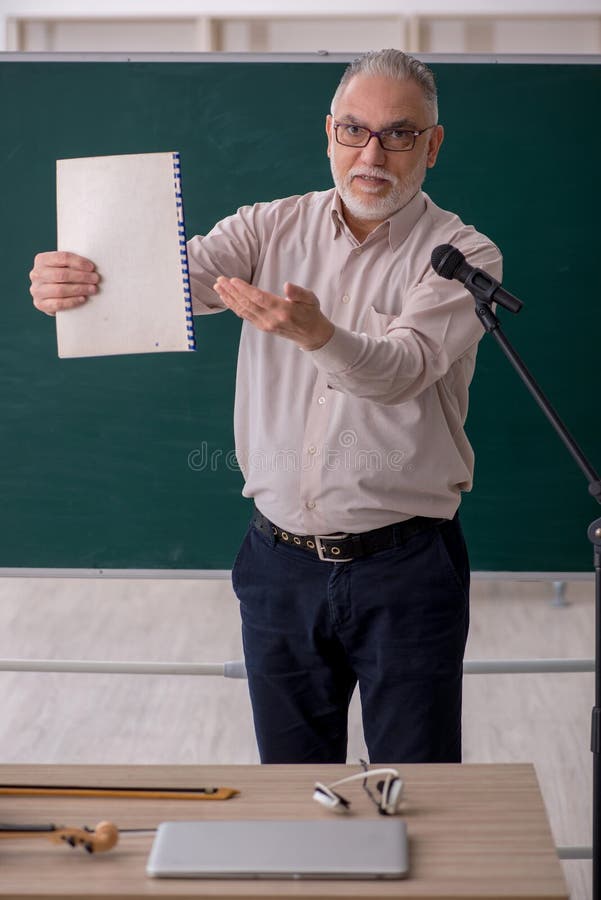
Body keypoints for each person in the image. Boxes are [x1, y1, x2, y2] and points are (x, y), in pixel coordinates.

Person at [29, 49, 501, 765]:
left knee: (420, 784)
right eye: (354, 129)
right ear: (329, 133)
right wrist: (72, 281)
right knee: (289, 786)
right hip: (277, 566)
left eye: (398, 134)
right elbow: (159, 283)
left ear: (431, 145)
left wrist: (318, 335)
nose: (371, 154)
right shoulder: (267, 227)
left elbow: (402, 371)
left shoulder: (463, 256)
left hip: (405, 568)